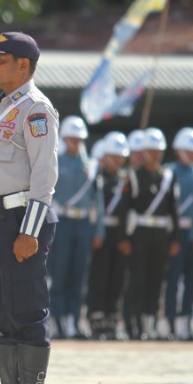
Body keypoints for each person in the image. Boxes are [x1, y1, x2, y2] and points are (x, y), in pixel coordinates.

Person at [0, 32, 59, 384]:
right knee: (3, 311)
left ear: (24, 65)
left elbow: (45, 176)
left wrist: (30, 232)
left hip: (22, 219)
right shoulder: (5, 105)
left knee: (27, 309)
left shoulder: (35, 108)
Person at [117, 127, 180, 340]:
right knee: (138, 278)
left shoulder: (168, 177)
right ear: (142, 152)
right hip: (139, 234)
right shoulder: (132, 177)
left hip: (160, 234)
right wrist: (123, 238)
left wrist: (175, 238)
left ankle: (151, 323)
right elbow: (123, 210)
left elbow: (174, 210)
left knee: (156, 279)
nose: (155, 154)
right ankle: (135, 324)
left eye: (158, 150)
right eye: (150, 150)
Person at [47, 116, 101, 339]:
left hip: (83, 224)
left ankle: (73, 319)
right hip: (62, 222)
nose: (75, 142)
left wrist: (98, 230)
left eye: (79, 139)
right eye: (71, 138)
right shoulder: (56, 162)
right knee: (59, 272)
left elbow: (97, 201)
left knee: (79, 273)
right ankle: (57, 319)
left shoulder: (90, 166)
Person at [86, 132, 131, 341]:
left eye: (122, 156)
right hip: (100, 233)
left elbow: (126, 211)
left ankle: (112, 318)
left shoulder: (124, 180)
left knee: (116, 278)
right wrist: (96, 233)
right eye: (115, 155)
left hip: (118, 235)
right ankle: (96, 318)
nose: (119, 160)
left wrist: (124, 238)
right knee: (99, 276)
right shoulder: (98, 178)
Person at [163, 127, 193, 340]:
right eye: (188, 151)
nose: (192, 155)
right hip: (176, 234)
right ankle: (171, 321)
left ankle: (186, 319)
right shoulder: (169, 173)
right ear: (178, 150)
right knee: (173, 279)